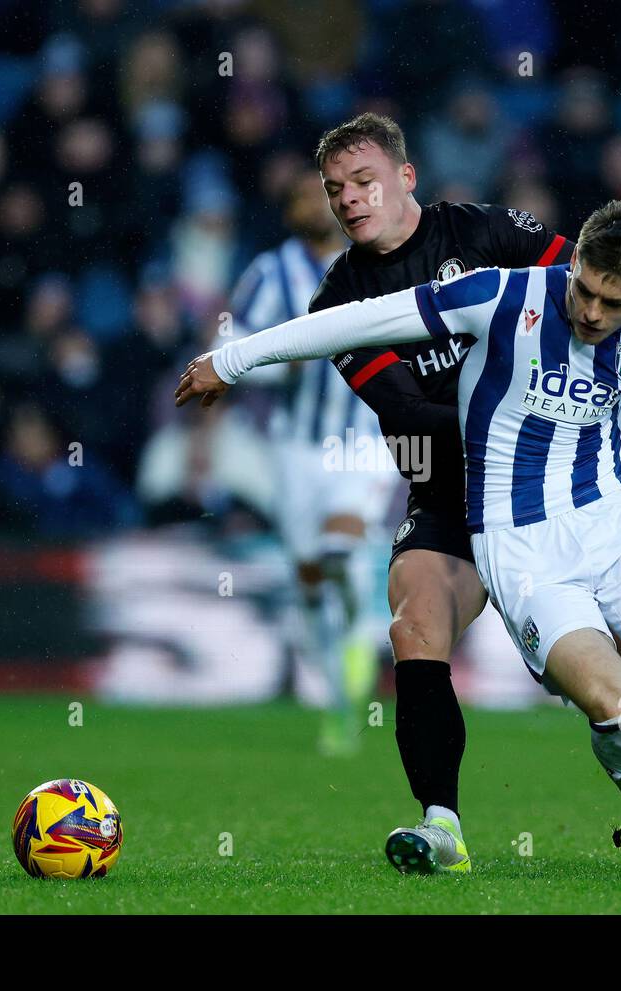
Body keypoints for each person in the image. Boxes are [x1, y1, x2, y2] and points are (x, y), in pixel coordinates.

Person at [177, 199, 621, 877]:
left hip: (616, 525)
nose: (589, 313)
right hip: (521, 547)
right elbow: (359, 320)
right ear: (573, 261)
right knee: (620, 710)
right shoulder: (500, 295)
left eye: (611, 304)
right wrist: (233, 360)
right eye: (583, 288)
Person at [227, 168, 396, 754]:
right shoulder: (269, 273)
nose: (317, 203)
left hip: (364, 439)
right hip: (295, 448)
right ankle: (337, 699)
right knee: (308, 580)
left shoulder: (380, 261)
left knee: (342, 550)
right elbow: (236, 350)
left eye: (323, 193)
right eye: (302, 195)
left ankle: (360, 645)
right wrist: (286, 361)